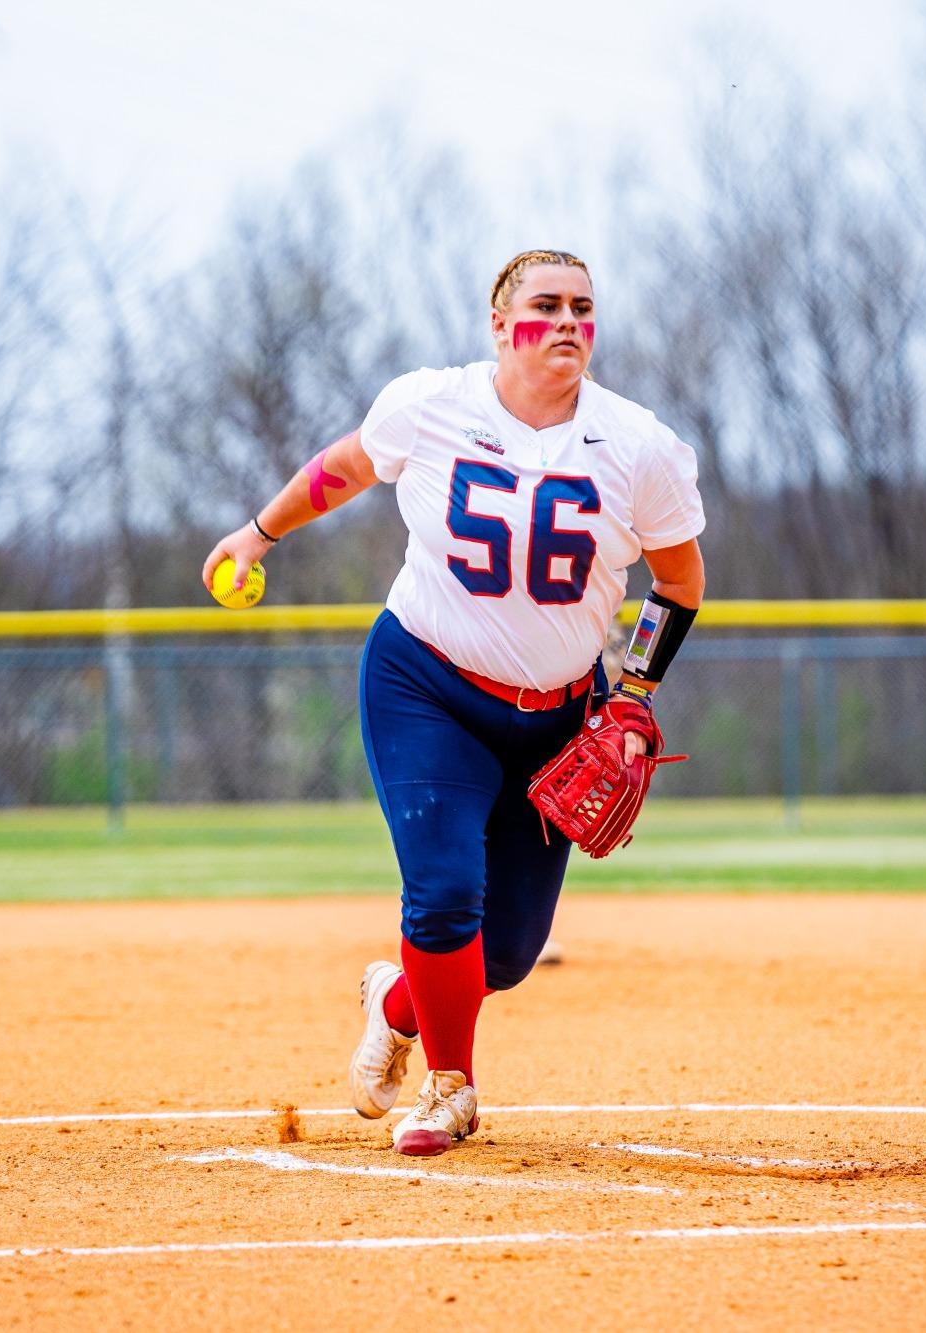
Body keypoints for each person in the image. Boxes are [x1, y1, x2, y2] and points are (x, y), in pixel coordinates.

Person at [200, 250, 706, 1155]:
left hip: (558, 714)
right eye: (543, 305)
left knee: (503, 953)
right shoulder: (434, 405)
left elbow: (680, 581)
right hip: (424, 682)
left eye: (583, 308)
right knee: (442, 894)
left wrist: (631, 694)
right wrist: (258, 531)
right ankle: (448, 1089)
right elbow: (346, 467)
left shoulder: (639, 446)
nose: (566, 323)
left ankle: (398, 1000)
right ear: (498, 322)